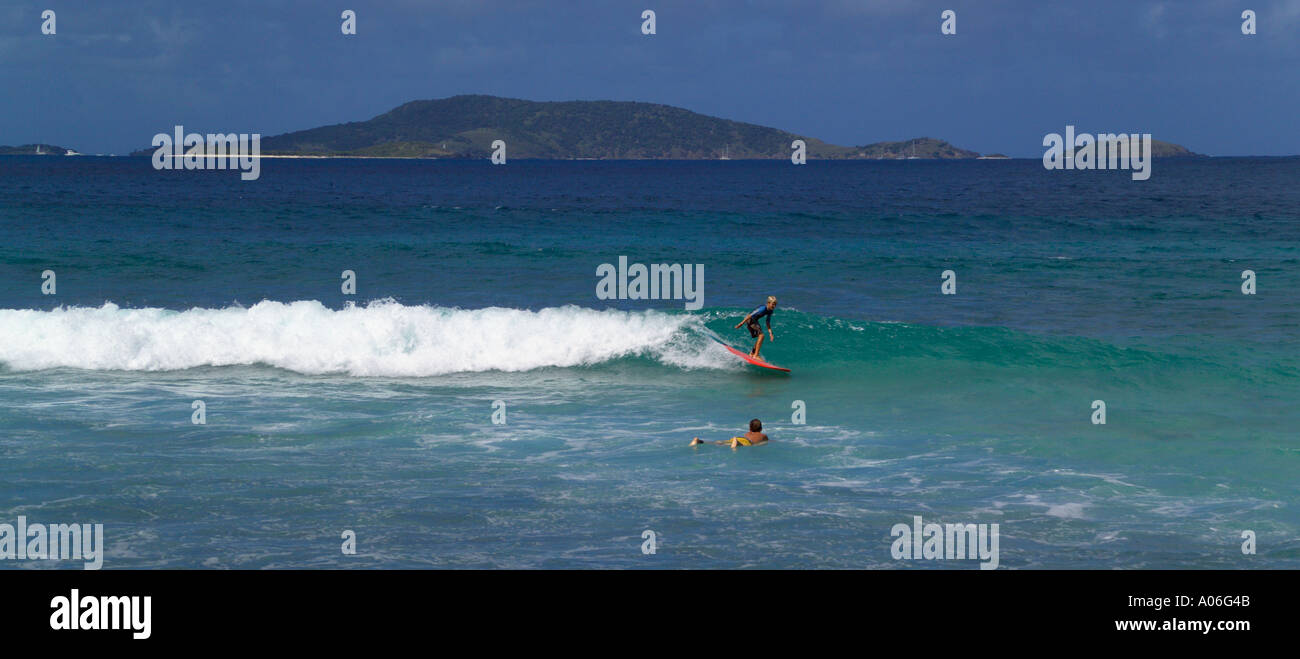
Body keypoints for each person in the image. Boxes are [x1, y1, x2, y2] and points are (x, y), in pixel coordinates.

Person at [690, 418, 769, 448]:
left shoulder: (747, 434)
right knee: (740, 445)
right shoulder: (763, 435)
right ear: (761, 429)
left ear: (749, 428)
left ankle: (700, 441)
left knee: (720, 442)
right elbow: (765, 441)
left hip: (740, 438)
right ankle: (737, 443)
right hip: (745, 442)